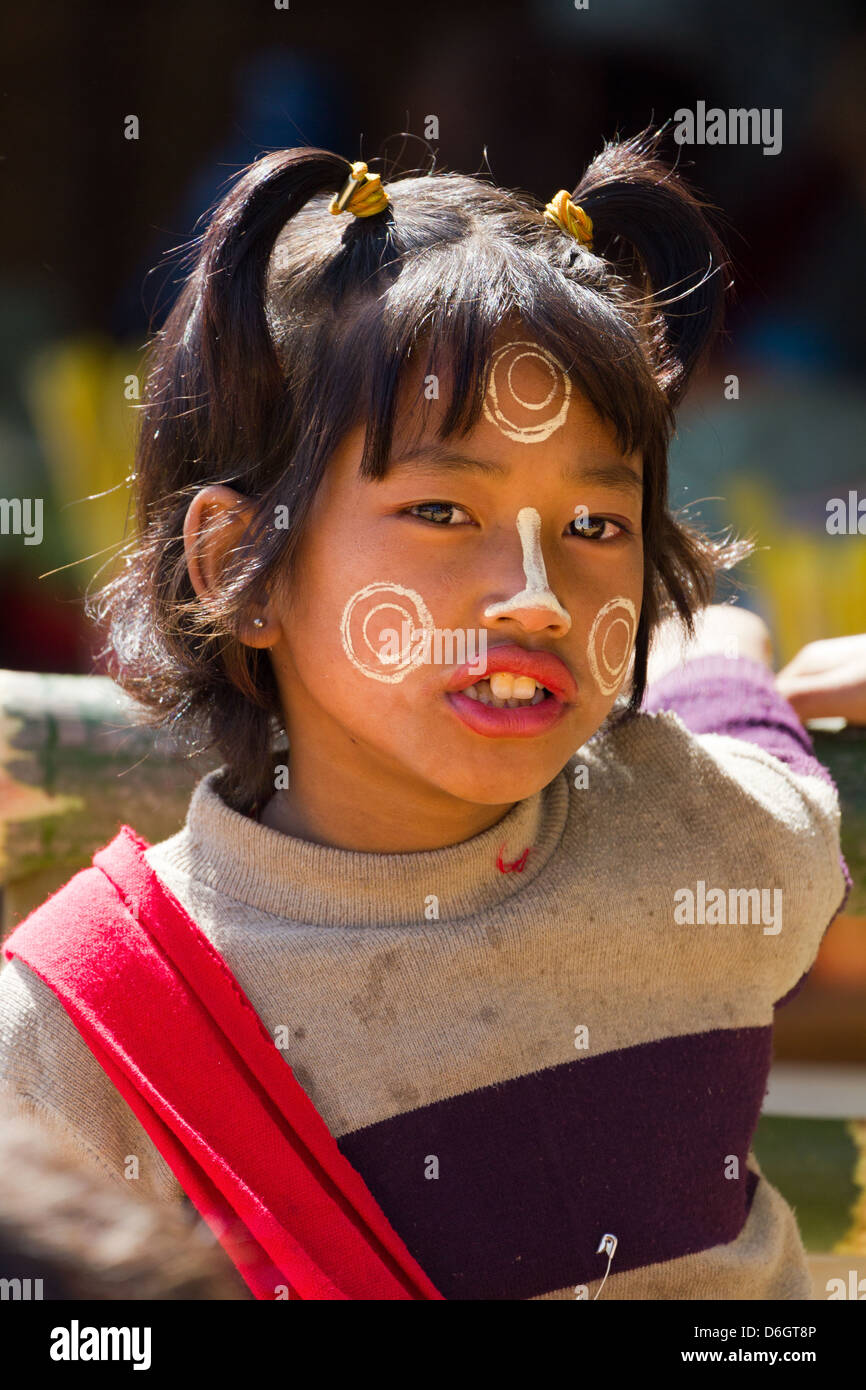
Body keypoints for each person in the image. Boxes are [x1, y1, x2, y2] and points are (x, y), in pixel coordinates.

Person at [0, 136, 850, 1300]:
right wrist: (724, 648)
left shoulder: (703, 834)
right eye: (444, 508)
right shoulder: (78, 1033)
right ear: (238, 564)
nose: (541, 596)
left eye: (597, 527)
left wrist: (713, 647)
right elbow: (757, 751)